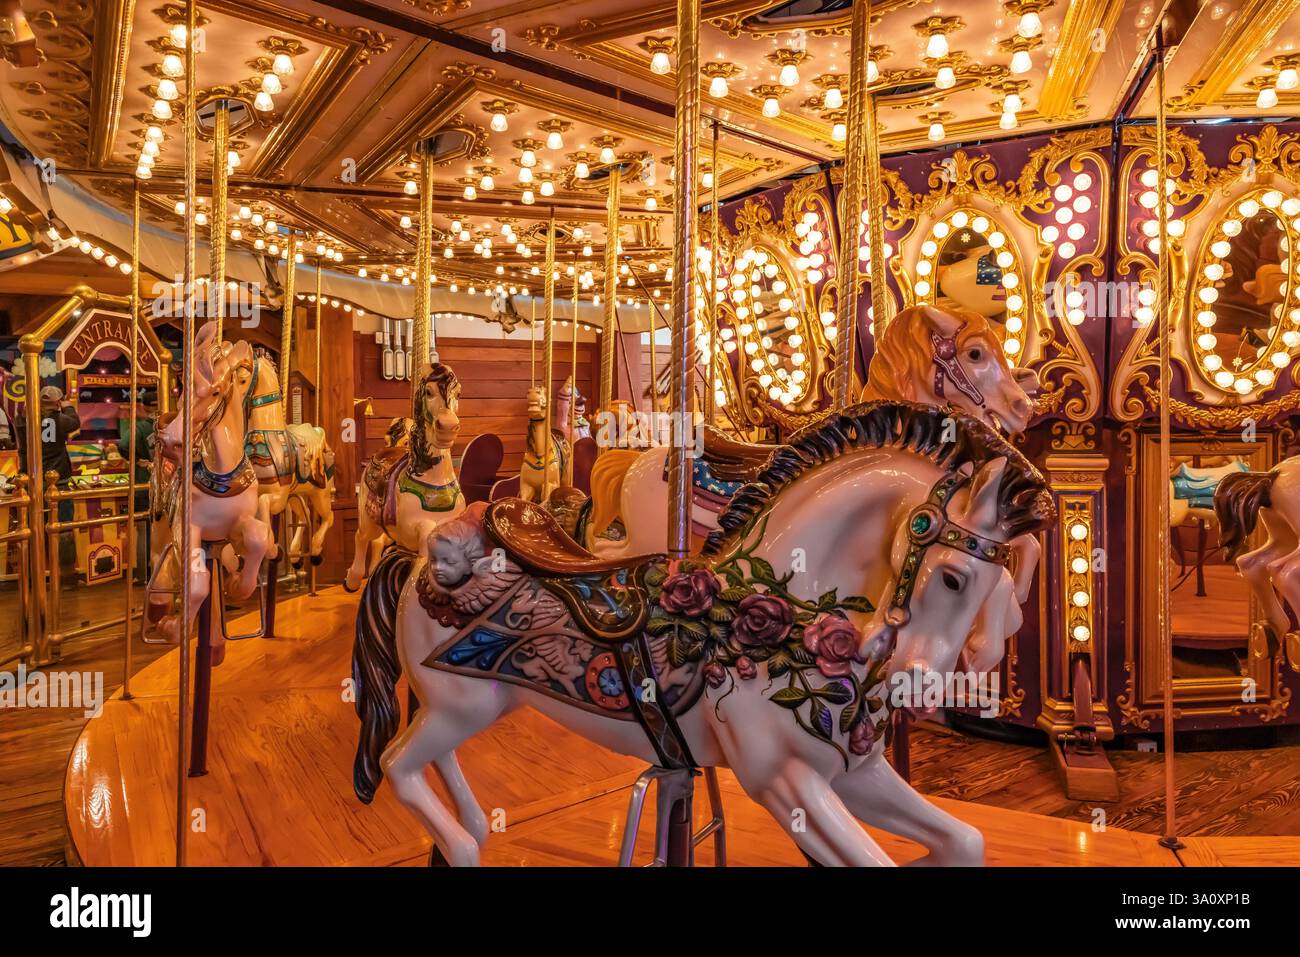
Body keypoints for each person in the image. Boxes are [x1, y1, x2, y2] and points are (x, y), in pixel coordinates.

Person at [16, 385, 80, 571]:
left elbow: (22, 448)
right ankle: (66, 573)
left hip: (34, 481)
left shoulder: (24, 420)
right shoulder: (62, 420)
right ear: (58, 402)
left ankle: (33, 572)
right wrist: (68, 406)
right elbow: (75, 422)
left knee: (32, 529)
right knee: (64, 527)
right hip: (59, 480)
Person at [117, 389, 158, 582]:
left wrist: (136, 460)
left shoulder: (140, 427)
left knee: (144, 530)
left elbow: (123, 445)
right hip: (167, 483)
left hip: (143, 482)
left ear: (143, 406)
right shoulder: (169, 424)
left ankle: (143, 575)